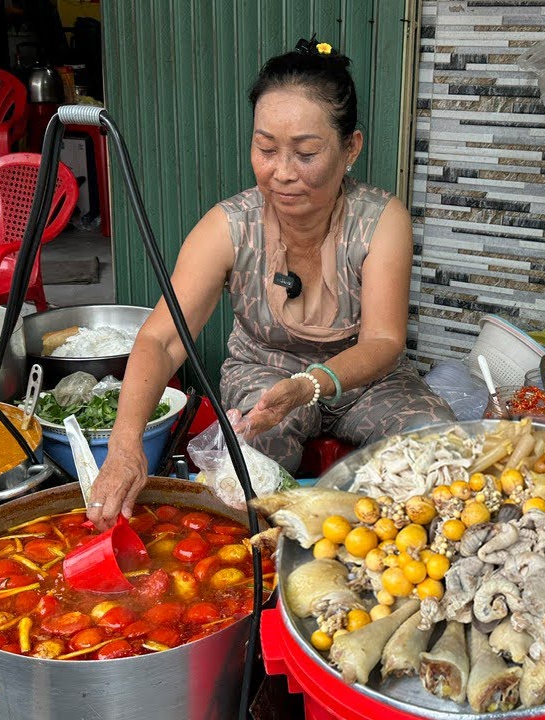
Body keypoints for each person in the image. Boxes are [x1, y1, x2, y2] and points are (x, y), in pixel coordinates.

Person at [86, 38, 454, 526]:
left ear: (350, 149)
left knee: (443, 452)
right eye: (265, 148)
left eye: (305, 153)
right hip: (263, 374)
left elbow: (385, 341)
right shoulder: (228, 226)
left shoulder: (381, 220)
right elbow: (162, 337)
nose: (281, 173)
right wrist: (125, 442)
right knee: (245, 474)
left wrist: (311, 384)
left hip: (367, 382)